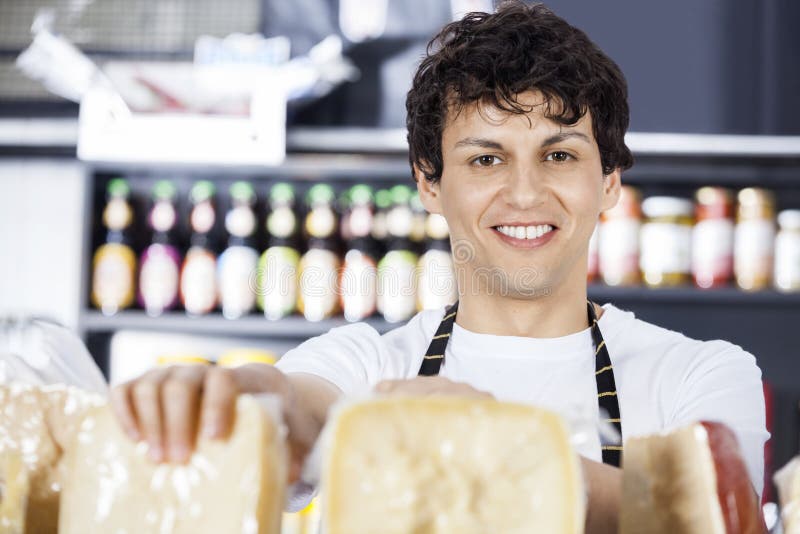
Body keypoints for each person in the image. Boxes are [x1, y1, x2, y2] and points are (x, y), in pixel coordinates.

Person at [111, 2, 768, 532]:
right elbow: (295, 406)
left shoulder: (701, 374)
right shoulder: (367, 365)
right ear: (430, 184)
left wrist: (495, 446)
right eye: (486, 159)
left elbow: (704, 516)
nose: (525, 193)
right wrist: (233, 399)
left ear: (609, 183)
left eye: (560, 155)